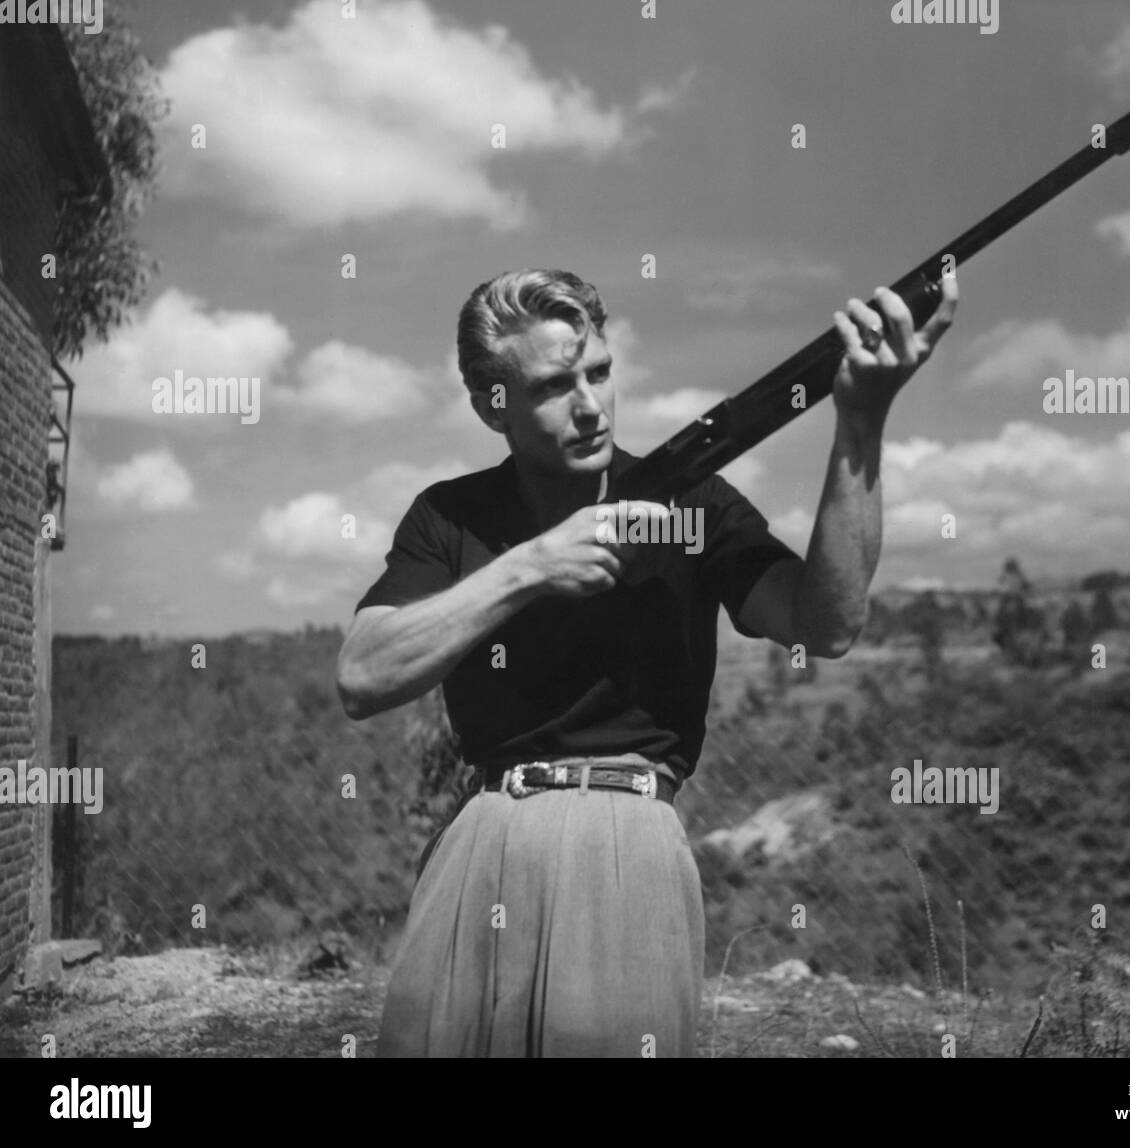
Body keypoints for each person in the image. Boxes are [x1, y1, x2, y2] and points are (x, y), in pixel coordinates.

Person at [337, 267, 957, 1057]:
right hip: (481, 839)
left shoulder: (690, 506)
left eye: (598, 372)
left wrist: (860, 422)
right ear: (492, 405)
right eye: (555, 385)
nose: (590, 404)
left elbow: (824, 623)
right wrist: (532, 567)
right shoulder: (450, 515)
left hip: (626, 844)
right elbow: (363, 675)